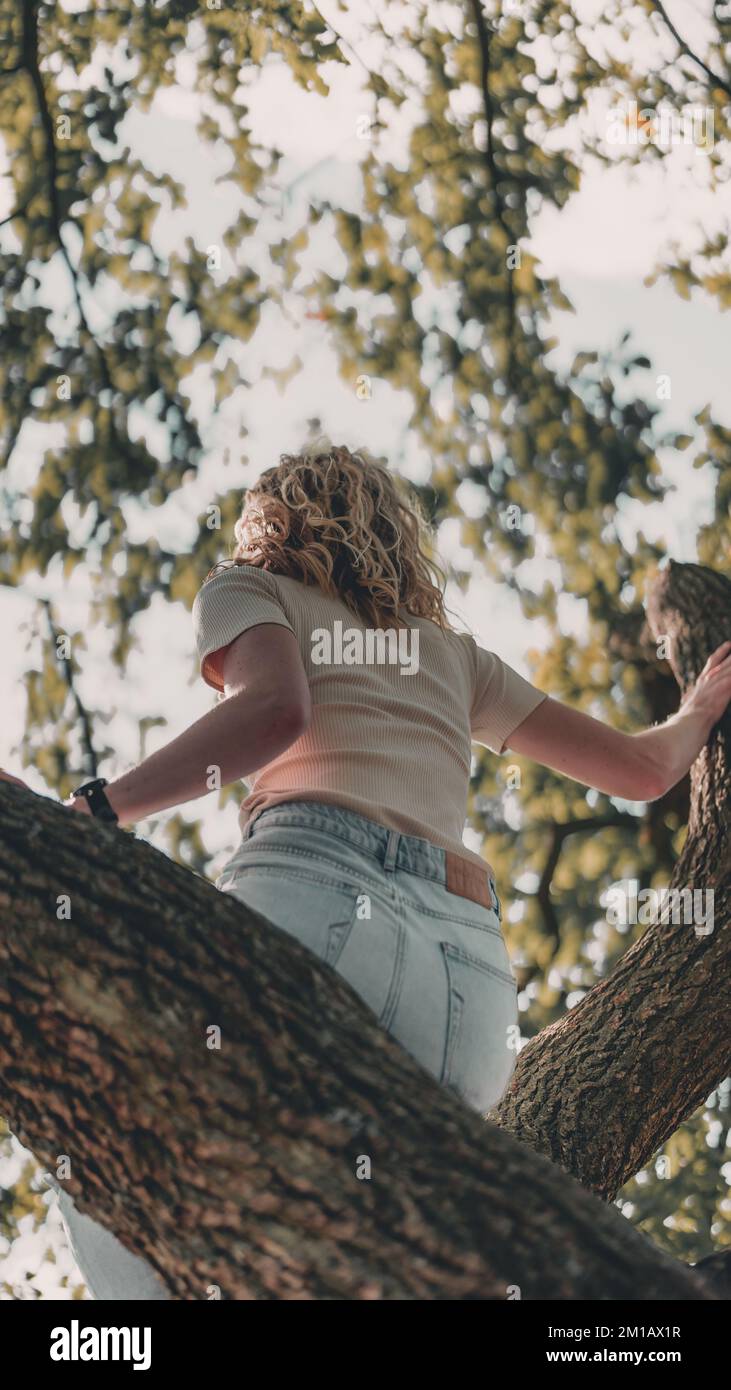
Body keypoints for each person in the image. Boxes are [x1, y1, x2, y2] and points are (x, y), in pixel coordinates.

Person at [2, 439, 731, 1300]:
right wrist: (696, 710)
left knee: (95, 1157)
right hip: (467, 984)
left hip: (317, 907)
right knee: (379, 1246)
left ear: (272, 523)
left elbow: (274, 711)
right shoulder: (452, 656)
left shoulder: (250, 589)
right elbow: (643, 772)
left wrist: (100, 808)